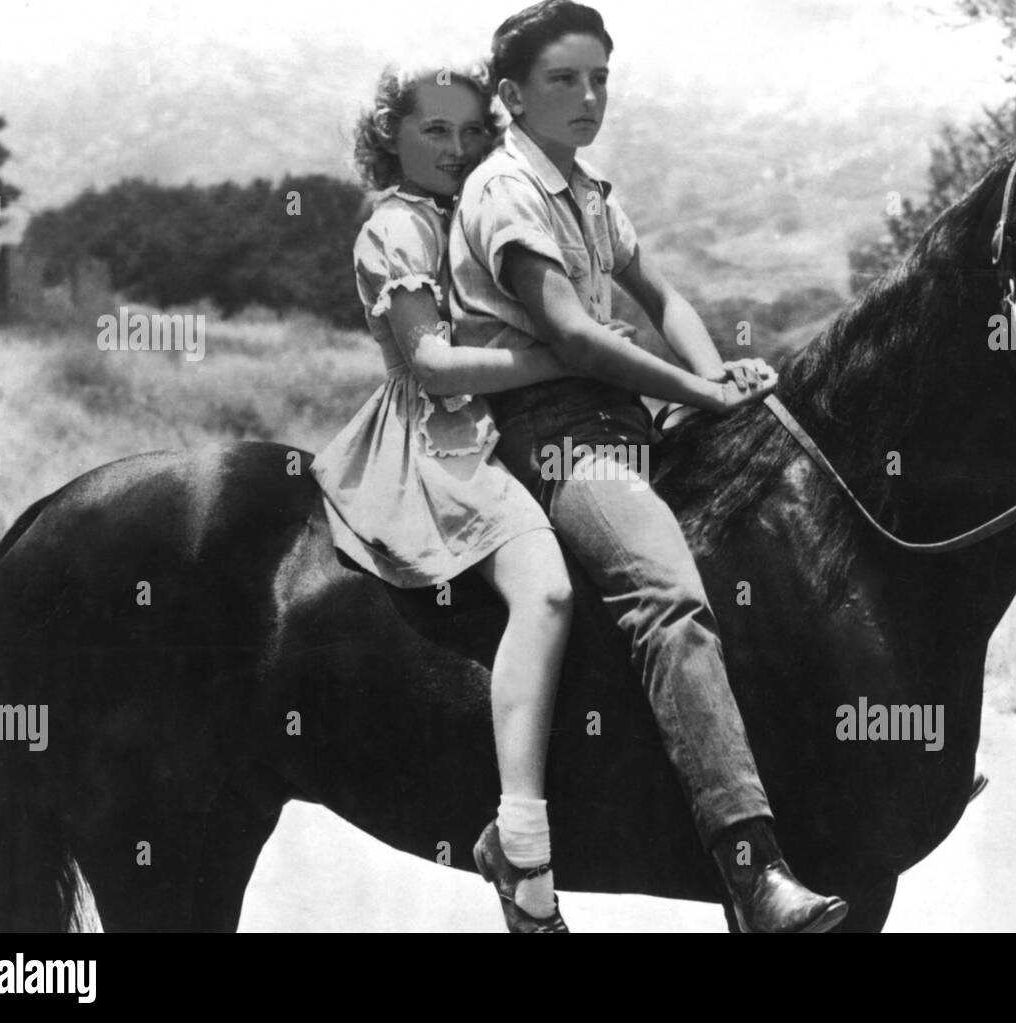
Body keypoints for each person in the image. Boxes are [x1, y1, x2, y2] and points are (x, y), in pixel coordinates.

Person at [449, 0, 849, 932]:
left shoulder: (589, 190)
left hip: (619, 416)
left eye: (599, 80)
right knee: (669, 596)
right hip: (551, 429)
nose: (589, 97)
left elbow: (659, 296)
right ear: (511, 96)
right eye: (564, 80)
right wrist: (697, 395)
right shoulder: (504, 190)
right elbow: (578, 336)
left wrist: (721, 378)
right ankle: (752, 872)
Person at [311, 60, 610, 933]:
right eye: (432, 131)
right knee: (548, 590)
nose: (456, 147)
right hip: (439, 437)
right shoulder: (394, 231)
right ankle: (521, 842)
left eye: (473, 129)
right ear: (389, 139)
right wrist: (568, 356)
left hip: (526, 414)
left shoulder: (481, 209)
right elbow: (434, 365)